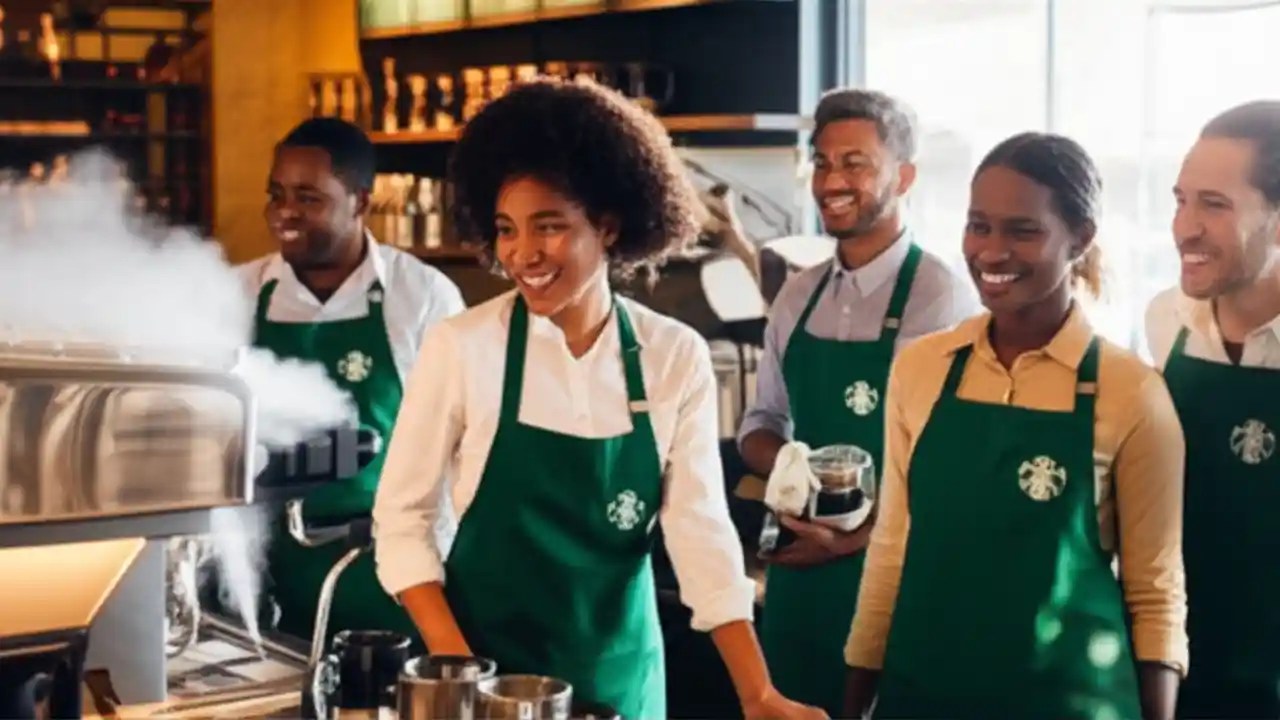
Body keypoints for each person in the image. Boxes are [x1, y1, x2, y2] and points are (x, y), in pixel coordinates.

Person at [371, 79, 825, 720]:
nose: (523, 253)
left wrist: (758, 693)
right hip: (479, 673)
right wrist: (463, 676)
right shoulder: (464, 347)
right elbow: (402, 521)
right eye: (506, 230)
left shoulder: (674, 356)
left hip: (619, 679)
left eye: (549, 227)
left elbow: (700, 537)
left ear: (609, 227)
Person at [843, 132, 1188, 720]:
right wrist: (855, 705)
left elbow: (1154, 591)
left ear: (1079, 239)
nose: (992, 251)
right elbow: (892, 549)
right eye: (979, 226)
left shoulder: (1132, 393)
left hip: (1071, 701)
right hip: (925, 694)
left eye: (1023, 231)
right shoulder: (923, 368)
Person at [735, 87, 979, 715]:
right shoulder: (798, 294)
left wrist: (856, 535)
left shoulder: (941, 299)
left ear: (905, 176)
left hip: (896, 573)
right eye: (822, 162)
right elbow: (761, 423)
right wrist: (792, 473)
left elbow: (951, 462)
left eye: (855, 163)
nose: (832, 180)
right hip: (796, 577)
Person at [240, 117, 465, 646]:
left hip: (389, 565)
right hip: (268, 565)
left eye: (308, 198)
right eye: (276, 195)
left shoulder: (423, 297)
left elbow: (465, 444)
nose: (284, 213)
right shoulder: (242, 294)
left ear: (361, 201)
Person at [1145, 100, 1280, 718]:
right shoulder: (1162, 322)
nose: (1184, 228)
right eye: (1181, 200)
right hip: (1180, 670)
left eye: (1215, 205)